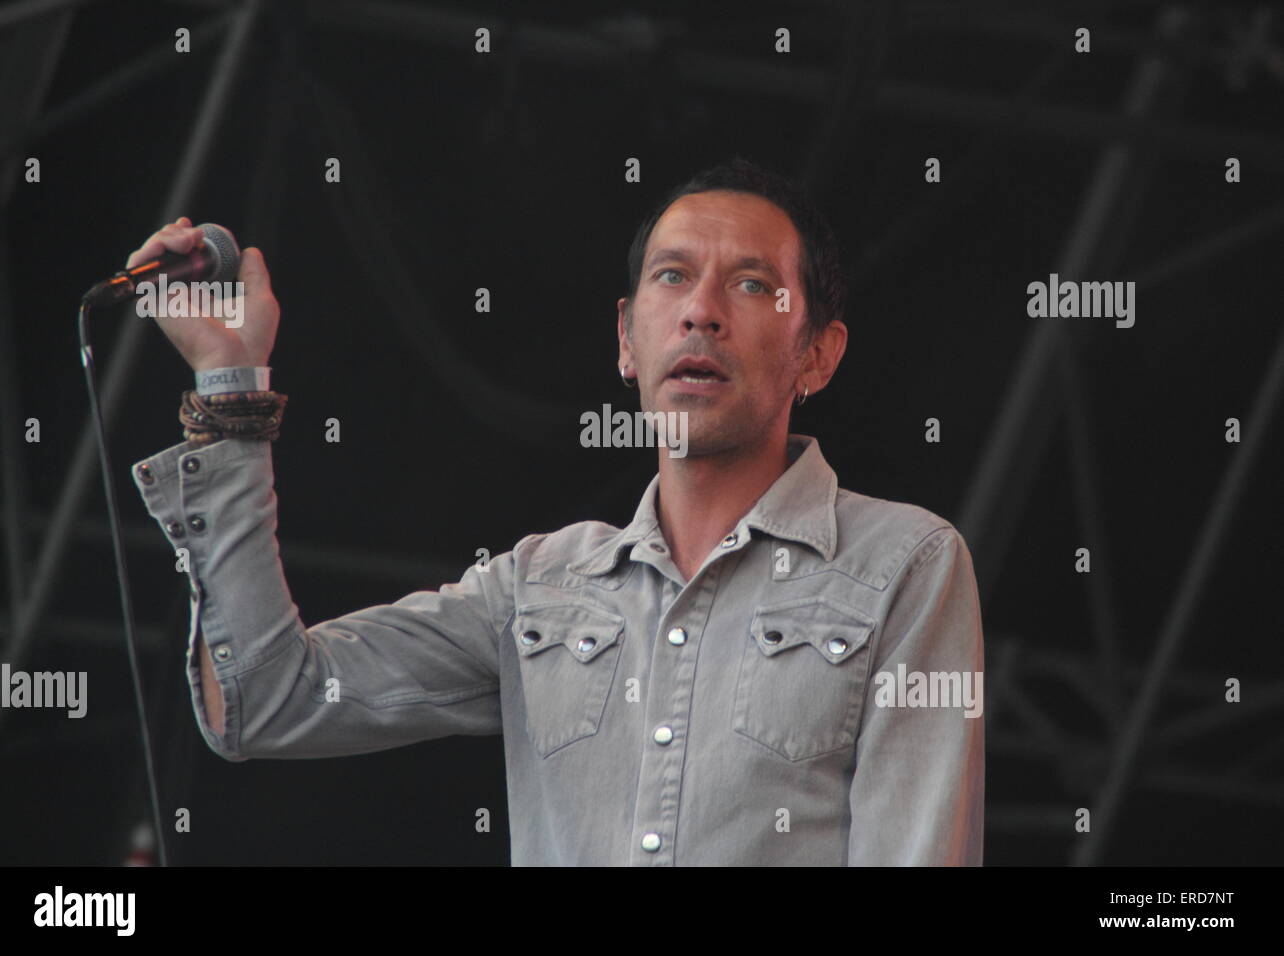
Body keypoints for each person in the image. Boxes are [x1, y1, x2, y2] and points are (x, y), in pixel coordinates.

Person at [129, 157, 984, 866]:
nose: (701, 311)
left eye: (753, 285)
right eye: (673, 276)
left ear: (819, 355)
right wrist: (229, 387)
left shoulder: (902, 563)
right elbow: (269, 699)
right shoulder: (539, 584)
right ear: (625, 339)